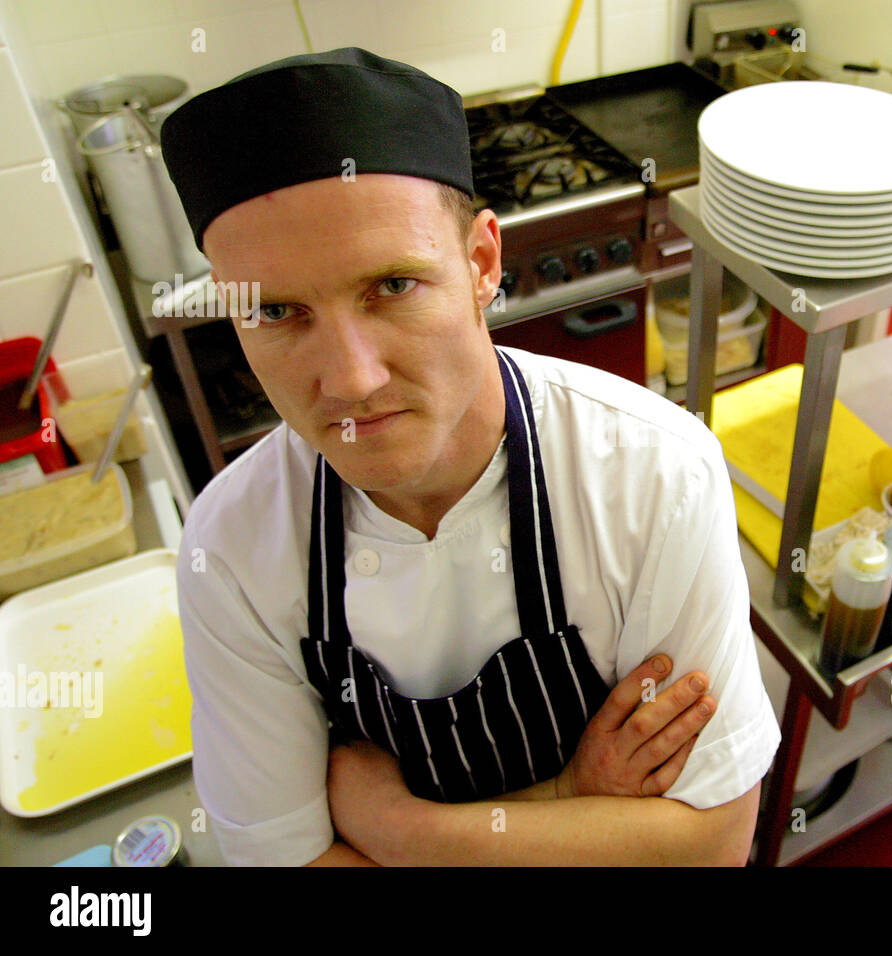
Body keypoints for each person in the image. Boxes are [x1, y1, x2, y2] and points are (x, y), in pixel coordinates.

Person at [161, 48, 781, 866]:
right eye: (277, 311)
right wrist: (569, 803)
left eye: (393, 286)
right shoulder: (232, 551)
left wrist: (397, 829)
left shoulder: (652, 475)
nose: (351, 380)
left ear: (482, 263)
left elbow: (709, 845)